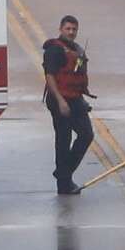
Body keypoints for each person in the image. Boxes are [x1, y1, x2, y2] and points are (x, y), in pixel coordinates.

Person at [43, 14, 95, 196]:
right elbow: (49, 76)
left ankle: (64, 174)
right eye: (68, 29)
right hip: (60, 101)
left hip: (75, 100)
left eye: (74, 29)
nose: (71, 32)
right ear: (61, 29)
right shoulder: (54, 50)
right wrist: (60, 101)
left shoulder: (77, 50)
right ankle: (64, 184)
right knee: (63, 141)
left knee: (86, 135)